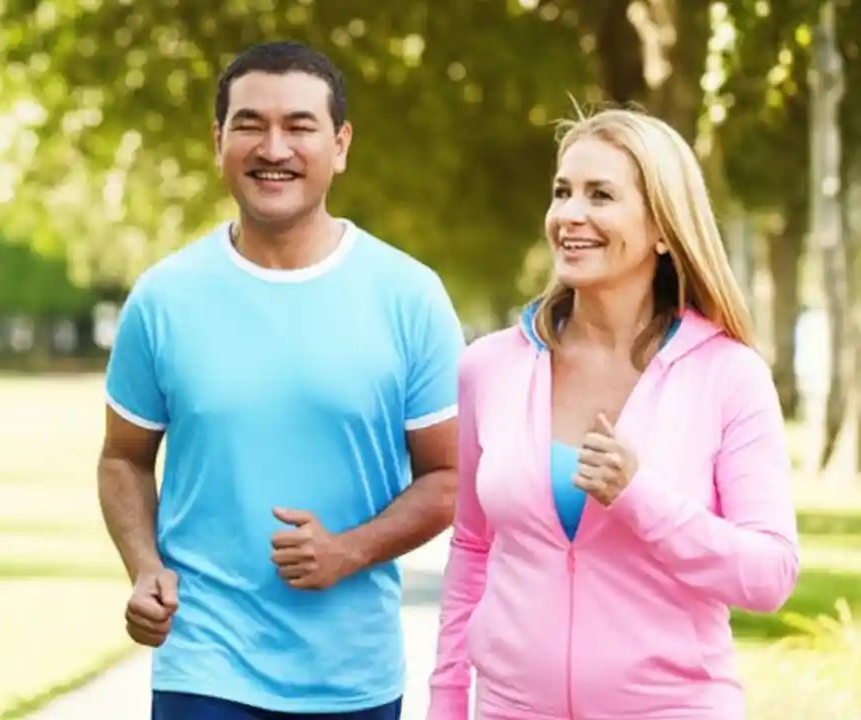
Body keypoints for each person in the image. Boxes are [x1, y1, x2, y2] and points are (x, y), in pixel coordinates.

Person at [98, 41, 465, 719]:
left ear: (341, 143)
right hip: (203, 666)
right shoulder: (164, 297)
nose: (274, 147)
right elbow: (124, 458)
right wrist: (145, 566)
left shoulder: (409, 296)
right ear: (218, 141)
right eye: (249, 124)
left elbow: (449, 476)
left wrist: (348, 550)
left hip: (352, 676)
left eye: (299, 126)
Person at [426, 107, 800, 720]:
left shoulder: (728, 375)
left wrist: (640, 497)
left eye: (600, 195)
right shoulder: (489, 368)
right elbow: (471, 548)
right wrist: (446, 706)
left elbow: (770, 575)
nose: (570, 215)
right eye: (562, 192)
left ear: (661, 228)